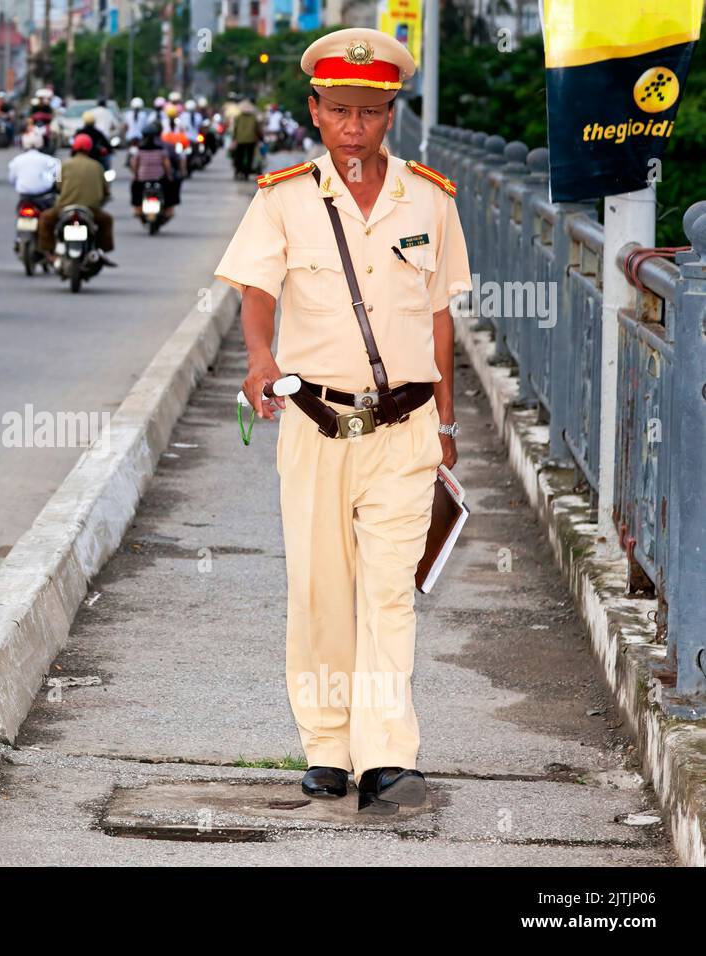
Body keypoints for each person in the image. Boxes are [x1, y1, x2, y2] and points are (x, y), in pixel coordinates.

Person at [214, 27, 471, 815]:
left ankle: (387, 755)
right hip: (316, 426)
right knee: (321, 591)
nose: (354, 126)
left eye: (370, 111)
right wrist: (259, 360)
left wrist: (449, 428)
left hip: (405, 427)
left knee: (389, 591)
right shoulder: (284, 198)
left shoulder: (429, 198)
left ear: (392, 111)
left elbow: (439, 321)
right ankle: (327, 748)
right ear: (315, 112)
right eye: (339, 111)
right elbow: (256, 291)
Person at [38, 133, 115, 264]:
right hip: (90, 209)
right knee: (107, 220)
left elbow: (58, 186)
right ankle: (101, 251)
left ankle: (50, 254)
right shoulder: (97, 166)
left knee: (45, 219)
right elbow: (105, 191)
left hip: (64, 207)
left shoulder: (65, 165)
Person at [129, 122, 176, 221]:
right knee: (170, 187)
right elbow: (167, 165)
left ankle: (138, 208)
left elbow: (134, 165)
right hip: (159, 178)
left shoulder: (139, 150)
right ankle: (169, 209)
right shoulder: (161, 150)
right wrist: (169, 175)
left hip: (142, 179)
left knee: (135, 187)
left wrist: (135, 176)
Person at [8, 129, 61, 207]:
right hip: (43, 197)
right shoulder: (49, 160)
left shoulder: (16, 160)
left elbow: (12, 179)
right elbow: (57, 178)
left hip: (25, 197)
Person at [230, 96, 262, 178]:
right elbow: (257, 129)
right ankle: (246, 173)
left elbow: (235, 129)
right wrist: (260, 138)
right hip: (251, 140)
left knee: (239, 157)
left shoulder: (238, 117)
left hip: (240, 140)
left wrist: (234, 139)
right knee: (249, 157)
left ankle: (238, 171)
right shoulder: (254, 117)